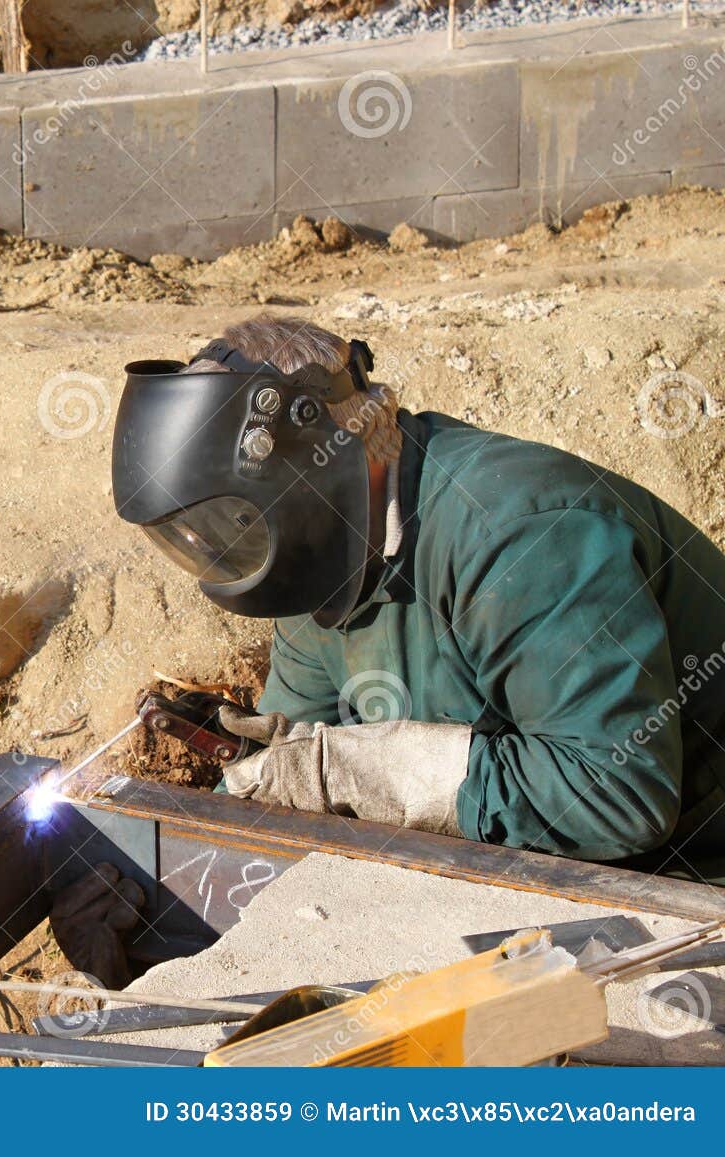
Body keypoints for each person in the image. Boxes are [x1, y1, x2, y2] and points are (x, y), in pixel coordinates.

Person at [110, 314, 725, 880]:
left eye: (232, 523)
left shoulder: (520, 537)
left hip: (695, 856)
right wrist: (157, 874)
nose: (226, 552)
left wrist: (378, 771)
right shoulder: (317, 558)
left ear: (312, 452)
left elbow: (620, 796)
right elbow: (289, 770)